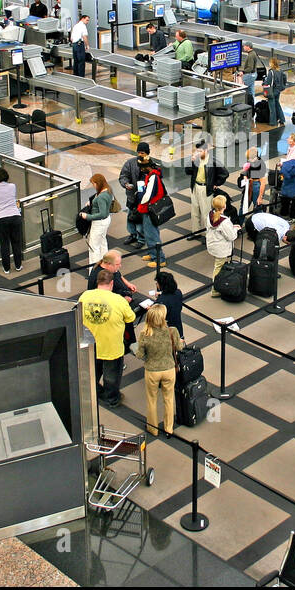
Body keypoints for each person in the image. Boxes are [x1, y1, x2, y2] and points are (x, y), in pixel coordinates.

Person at [79, 268, 135, 407]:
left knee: (92, 372)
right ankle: (111, 399)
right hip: (111, 346)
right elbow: (130, 318)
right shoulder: (118, 300)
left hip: (90, 344)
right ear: (111, 284)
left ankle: (94, 391)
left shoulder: (85, 296)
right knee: (111, 377)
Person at [138, 304, 180, 437]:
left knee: (152, 400)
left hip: (152, 370)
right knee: (168, 399)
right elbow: (179, 347)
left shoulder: (144, 334)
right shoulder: (172, 331)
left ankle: (153, 428)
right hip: (169, 369)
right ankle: (169, 428)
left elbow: (139, 355)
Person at [186, 140, 227, 240]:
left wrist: (216, 184)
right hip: (195, 187)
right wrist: (191, 161)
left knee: (206, 213)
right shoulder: (196, 160)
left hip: (205, 188)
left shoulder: (213, 161)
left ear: (206, 150)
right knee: (194, 211)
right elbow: (188, 171)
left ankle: (207, 235)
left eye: (200, 151)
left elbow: (224, 173)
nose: (198, 153)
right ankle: (196, 232)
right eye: (197, 151)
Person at [136, 153, 167, 265]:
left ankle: (160, 259)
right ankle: (152, 253)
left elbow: (147, 196)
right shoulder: (152, 175)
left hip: (150, 209)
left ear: (147, 167)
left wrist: (139, 201)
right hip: (149, 209)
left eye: (142, 168)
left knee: (152, 234)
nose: (141, 170)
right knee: (150, 232)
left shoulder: (153, 177)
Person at [205, 194, 238, 294]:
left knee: (218, 266)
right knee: (218, 268)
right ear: (224, 206)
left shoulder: (210, 214)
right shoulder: (225, 221)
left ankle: (217, 287)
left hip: (212, 244)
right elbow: (231, 236)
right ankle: (215, 289)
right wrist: (235, 229)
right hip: (221, 248)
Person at [80, 173, 114, 266]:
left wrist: (87, 216)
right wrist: (91, 202)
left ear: (98, 183)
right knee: (103, 242)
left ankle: (94, 271)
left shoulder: (101, 197)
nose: (93, 186)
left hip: (99, 223)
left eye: (94, 184)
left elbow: (102, 214)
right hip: (106, 221)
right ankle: (106, 265)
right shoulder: (108, 190)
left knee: (93, 247)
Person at [152, 270, 184, 339]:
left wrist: (150, 308)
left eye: (157, 283)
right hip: (178, 329)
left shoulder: (161, 302)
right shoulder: (178, 292)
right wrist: (161, 294)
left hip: (167, 334)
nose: (156, 285)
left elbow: (155, 317)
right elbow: (170, 297)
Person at [262, 57, 288, 125]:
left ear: (272, 63)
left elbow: (268, 82)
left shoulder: (271, 72)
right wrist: (283, 86)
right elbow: (285, 78)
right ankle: (282, 119)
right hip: (278, 90)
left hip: (272, 91)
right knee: (277, 104)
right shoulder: (280, 70)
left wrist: (263, 82)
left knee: (272, 107)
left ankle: (273, 122)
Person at [70, 13, 90, 77]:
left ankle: (76, 76)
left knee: (76, 62)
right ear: (82, 19)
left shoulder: (76, 26)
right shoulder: (83, 26)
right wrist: (87, 45)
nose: (87, 22)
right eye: (87, 20)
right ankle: (81, 77)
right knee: (81, 62)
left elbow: (71, 38)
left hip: (74, 45)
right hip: (79, 45)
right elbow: (84, 37)